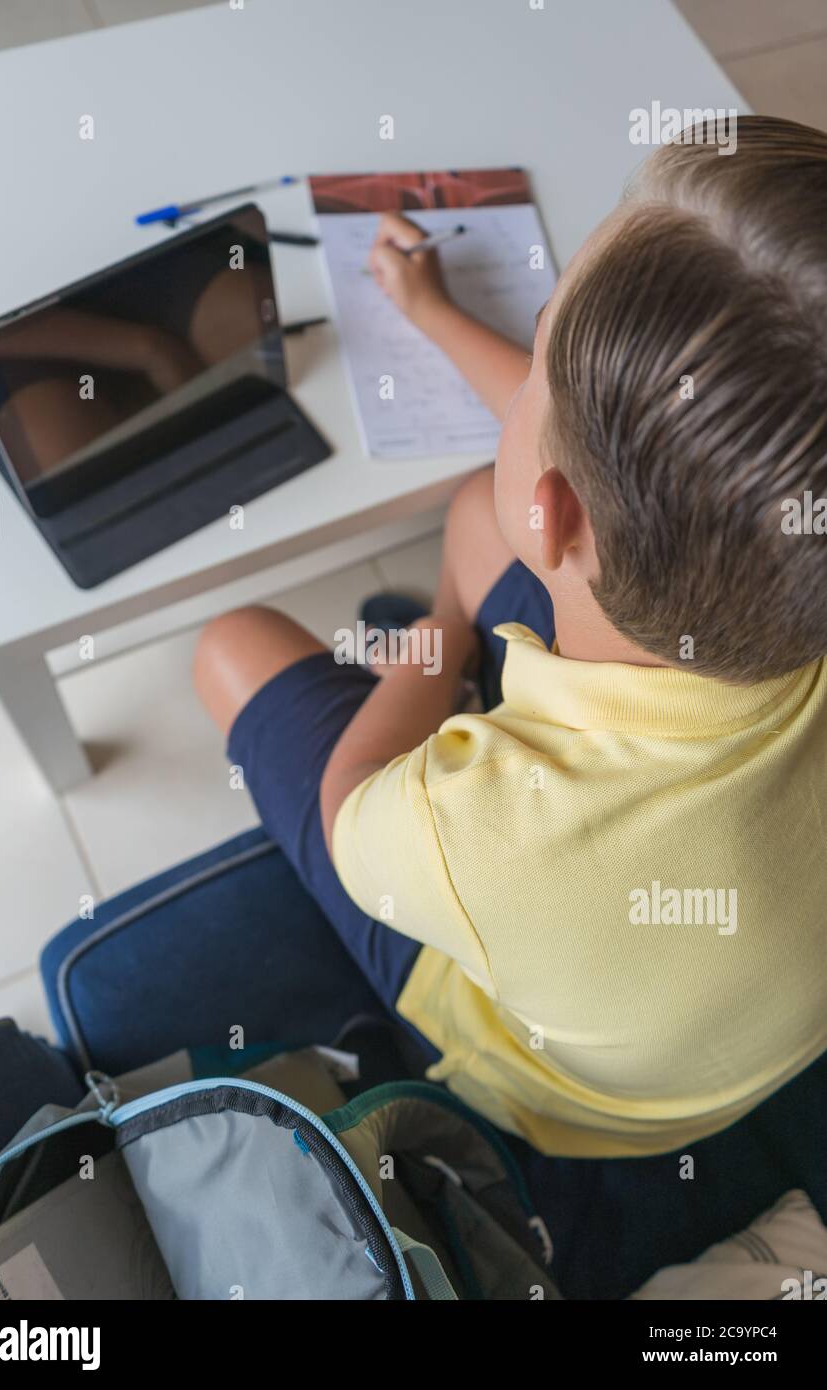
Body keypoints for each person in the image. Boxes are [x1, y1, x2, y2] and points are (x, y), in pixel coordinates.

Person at [194, 117, 827, 1241]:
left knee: (231, 643)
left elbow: (353, 806)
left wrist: (439, 624)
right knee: (468, 525)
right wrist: (439, 317)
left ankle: (443, 618)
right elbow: (597, 456)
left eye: (533, 349)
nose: (524, 370)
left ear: (557, 511)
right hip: (728, 1023)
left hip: (556, 1098)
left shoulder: (471, 828)